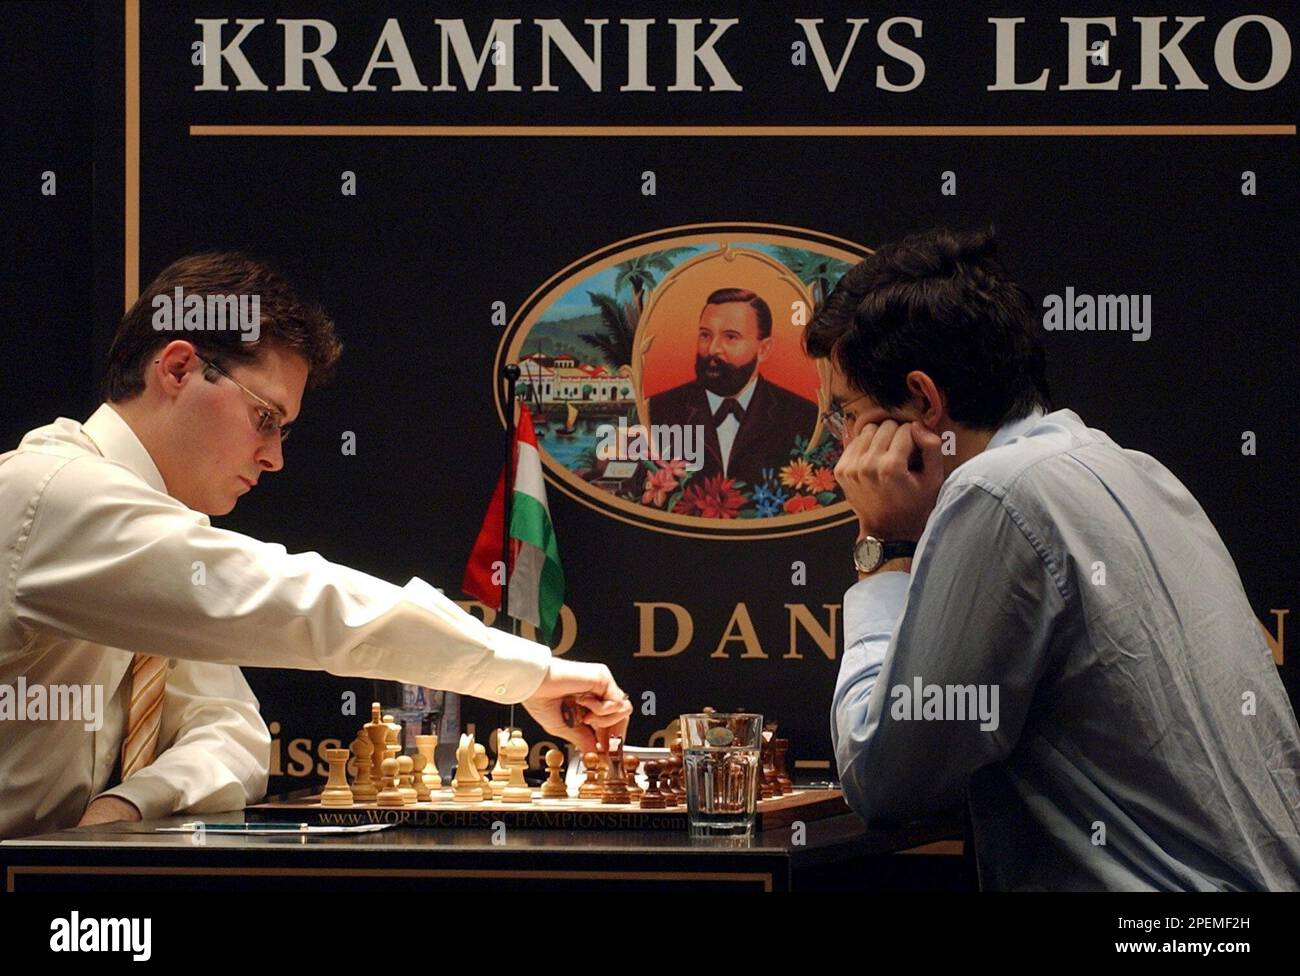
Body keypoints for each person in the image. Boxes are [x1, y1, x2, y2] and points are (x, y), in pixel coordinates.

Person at [0, 252, 632, 840]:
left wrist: (129, 804)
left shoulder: (151, 531)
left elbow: (231, 729)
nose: (274, 457)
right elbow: (304, 602)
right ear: (177, 367)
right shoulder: (51, 495)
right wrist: (529, 671)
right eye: (265, 418)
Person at [808, 227, 1300, 890]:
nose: (838, 448)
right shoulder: (1133, 469)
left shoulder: (997, 492)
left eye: (846, 413)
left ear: (923, 401)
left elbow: (885, 777)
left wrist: (885, 548)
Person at [648, 288, 817, 489]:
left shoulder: (804, 417)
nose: (712, 349)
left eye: (731, 337)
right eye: (705, 335)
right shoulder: (657, 410)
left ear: (764, 349)